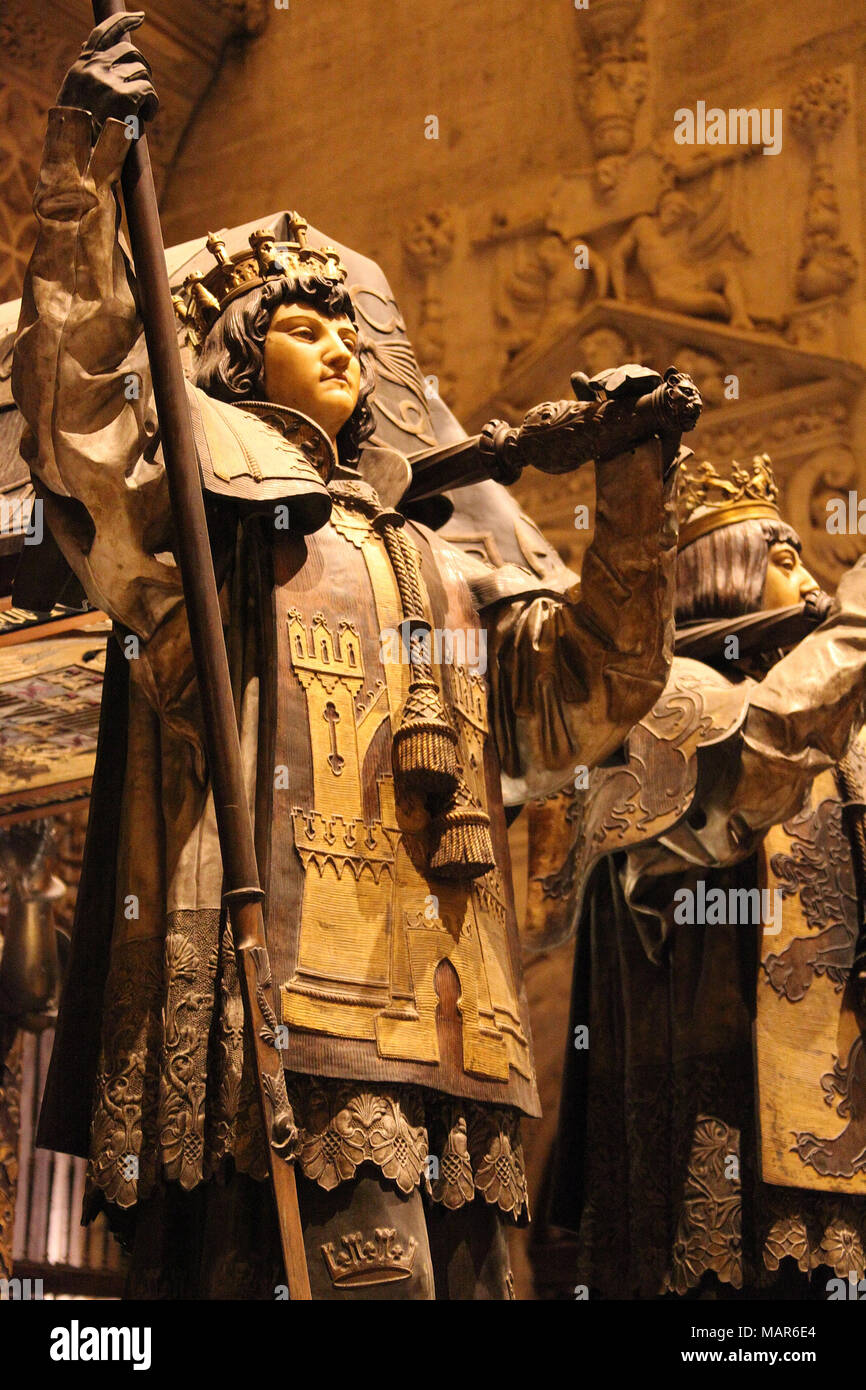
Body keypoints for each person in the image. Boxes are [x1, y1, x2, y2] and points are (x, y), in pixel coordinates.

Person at [14, 14, 683, 1299]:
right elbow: (84, 409)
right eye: (299, 319)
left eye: (344, 322)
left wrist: (634, 486)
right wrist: (81, 170)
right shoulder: (210, 528)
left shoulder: (443, 561)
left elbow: (593, 687)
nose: (336, 338)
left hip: (457, 1025)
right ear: (227, 355)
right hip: (283, 1019)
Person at [547, 450, 866, 1298]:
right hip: (717, 1108)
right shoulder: (667, 708)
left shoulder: (844, 738)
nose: (813, 578)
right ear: (721, 580)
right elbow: (742, 777)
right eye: (783, 558)